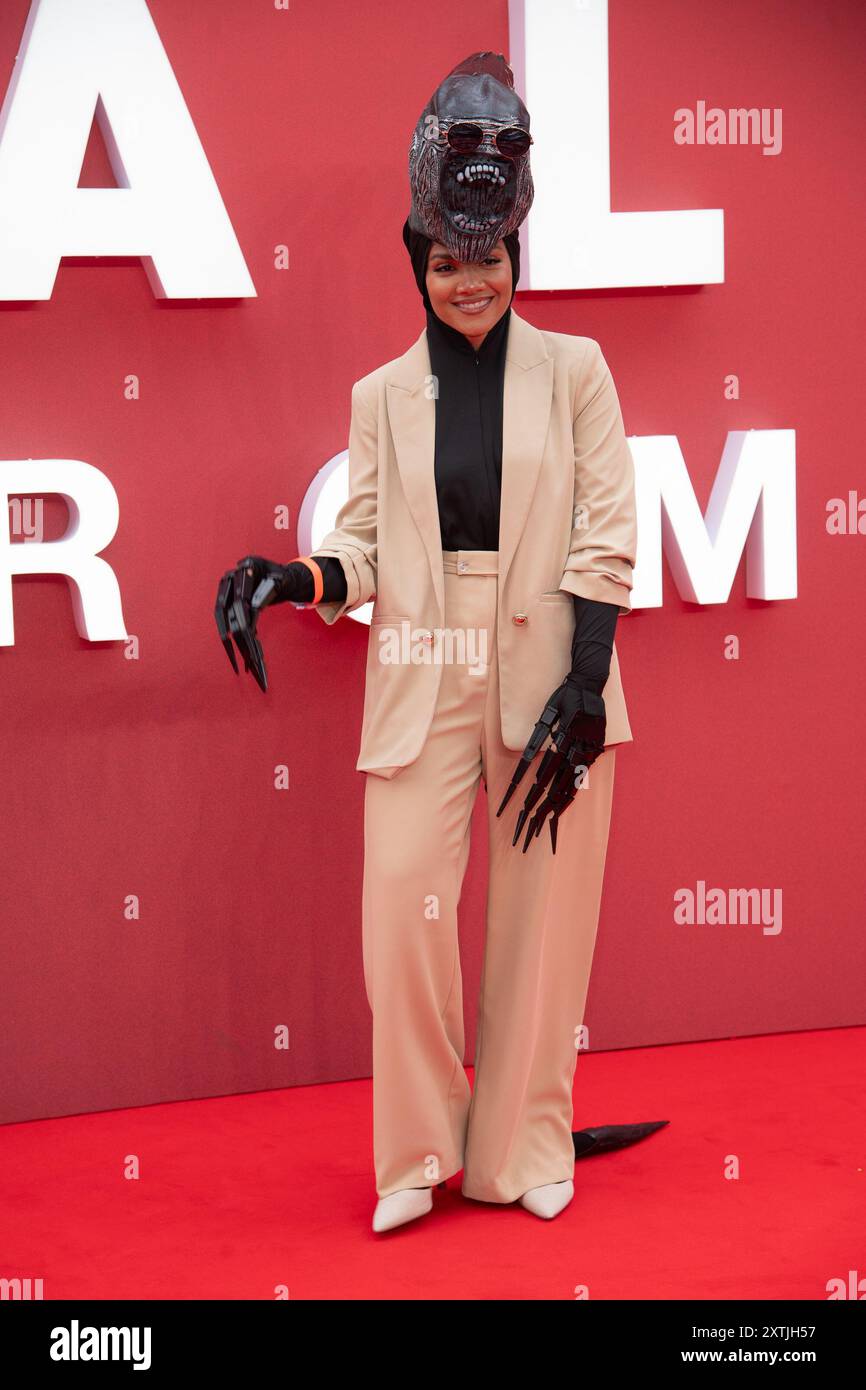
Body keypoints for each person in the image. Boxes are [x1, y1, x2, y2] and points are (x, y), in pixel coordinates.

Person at [216, 53, 637, 1234]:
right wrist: (292, 577)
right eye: (448, 263)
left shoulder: (577, 375)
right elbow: (361, 546)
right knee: (403, 902)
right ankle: (415, 1153)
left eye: (488, 261)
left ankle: (521, 1146)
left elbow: (606, 529)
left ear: (515, 256)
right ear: (418, 265)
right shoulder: (378, 399)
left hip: (553, 665)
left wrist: (588, 678)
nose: (470, 283)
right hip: (425, 661)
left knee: (539, 923)